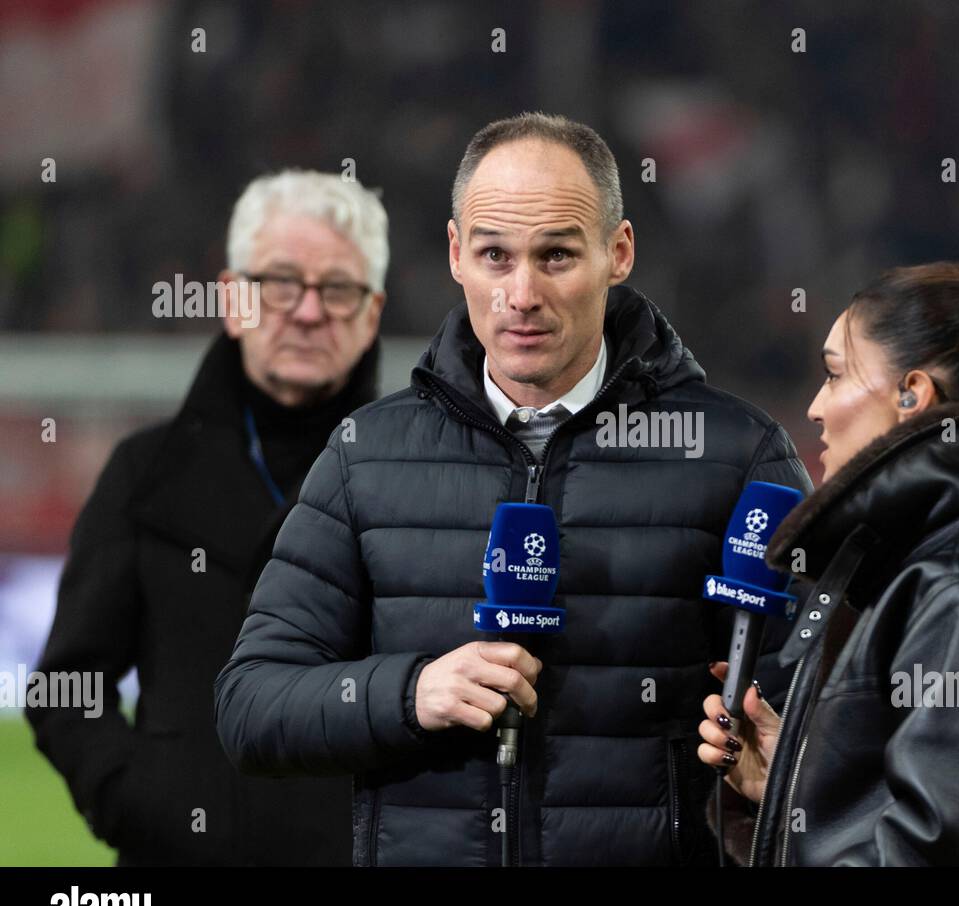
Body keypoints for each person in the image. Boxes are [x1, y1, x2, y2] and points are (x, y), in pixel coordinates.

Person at [213, 112, 811, 866]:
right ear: (457, 254)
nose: (521, 292)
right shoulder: (365, 455)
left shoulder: (738, 456)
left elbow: (828, 710)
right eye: (495, 255)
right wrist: (412, 692)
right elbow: (251, 707)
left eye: (556, 255)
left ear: (617, 253)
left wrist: (776, 754)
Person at [698, 262, 959, 866]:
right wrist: (797, 788)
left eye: (835, 375)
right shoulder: (947, 563)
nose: (817, 407)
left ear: (913, 394)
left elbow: (940, 856)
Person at [27, 169, 387, 865]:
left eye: (337, 289)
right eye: (280, 282)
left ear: (371, 313)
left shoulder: (418, 479)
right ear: (232, 299)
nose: (307, 311)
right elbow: (67, 686)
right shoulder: (144, 471)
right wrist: (137, 801)